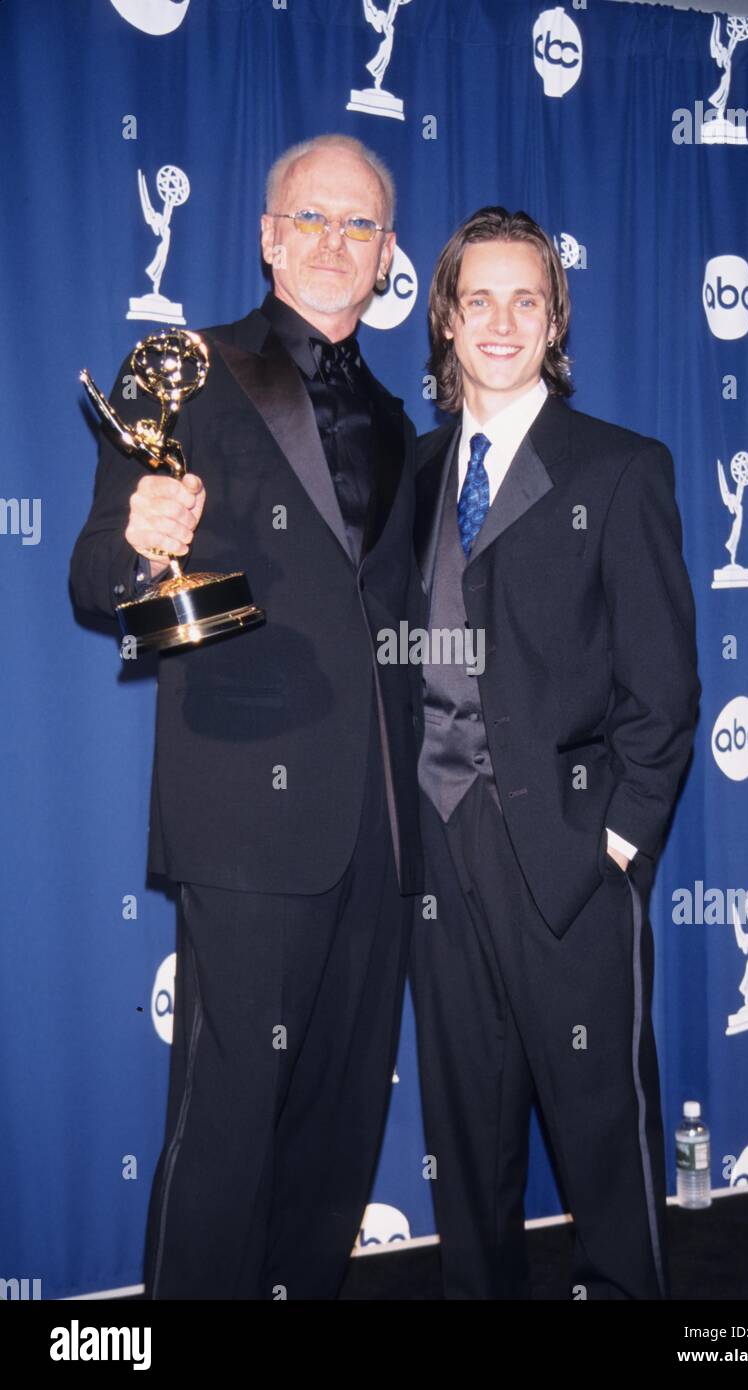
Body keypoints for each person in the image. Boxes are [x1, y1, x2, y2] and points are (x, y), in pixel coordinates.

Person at [69, 134, 423, 1300]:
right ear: (268, 238)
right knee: (225, 1128)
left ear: (386, 259)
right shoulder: (182, 366)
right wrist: (141, 535)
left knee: (336, 1130)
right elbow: (94, 581)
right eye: (311, 219)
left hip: (382, 824)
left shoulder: (396, 411)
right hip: (247, 814)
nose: (335, 242)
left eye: (360, 226)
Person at [410, 207, 701, 1299]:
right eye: (476, 298)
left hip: (572, 850)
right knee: (466, 1121)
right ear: (442, 318)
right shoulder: (417, 468)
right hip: (440, 846)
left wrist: (615, 843)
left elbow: (664, 688)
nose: (499, 320)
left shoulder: (620, 467)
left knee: (599, 1126)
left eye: (523, 299)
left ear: (554, 318)